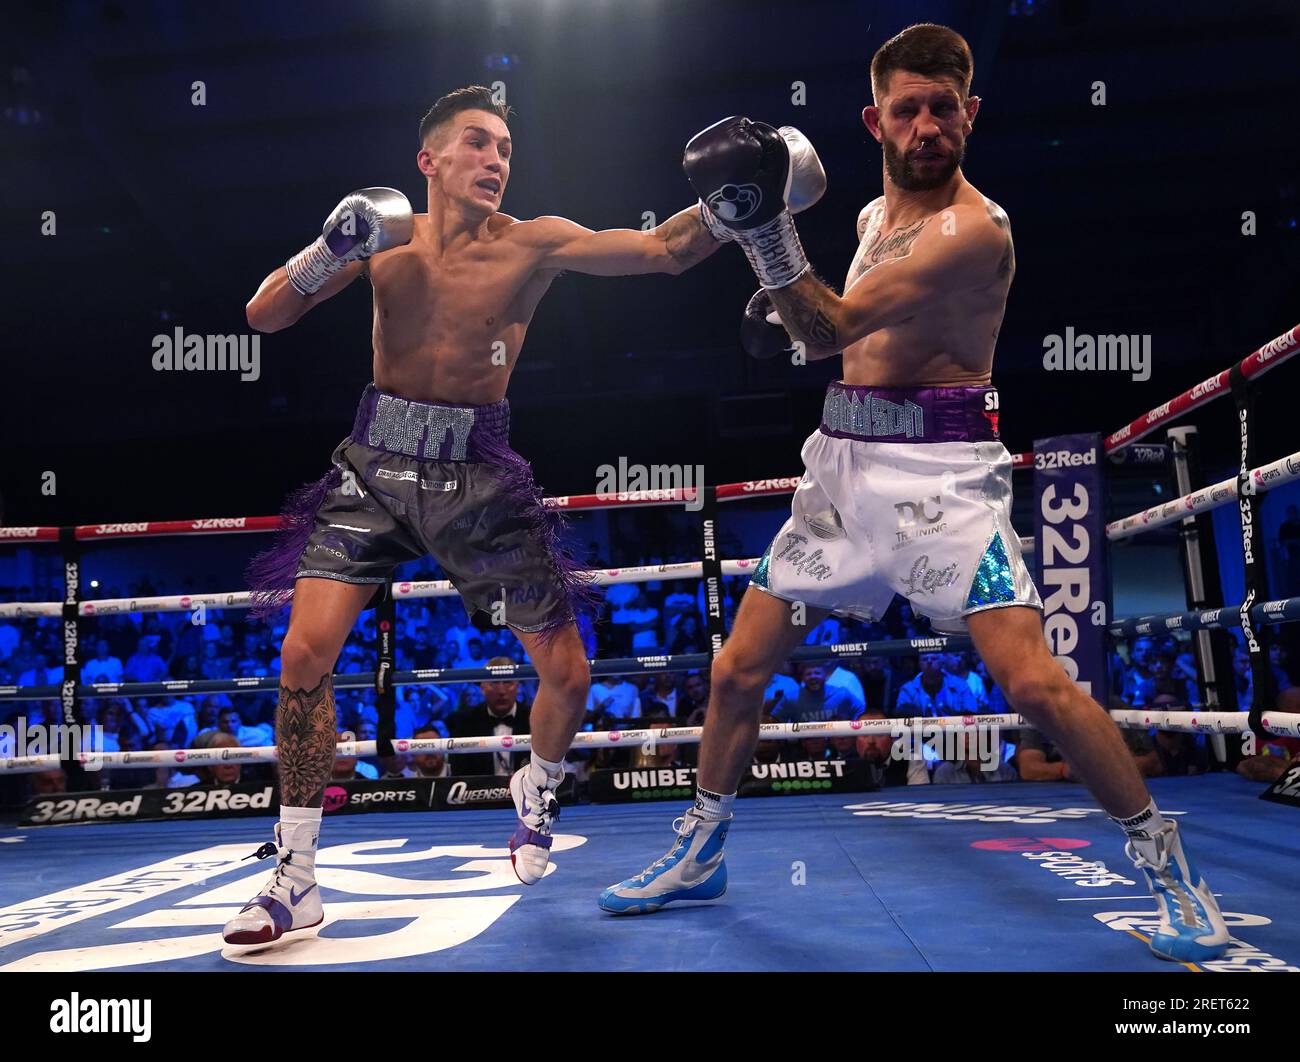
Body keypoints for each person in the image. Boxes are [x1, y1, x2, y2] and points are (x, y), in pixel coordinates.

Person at [601, 25, 1228, 963]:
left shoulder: (976, 228)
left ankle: (1167, 863)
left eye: (945, 107)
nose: (928, 125)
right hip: (843, 468)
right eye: (909, 109)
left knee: (1033, 683)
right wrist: (770, 285)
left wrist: (762, 226)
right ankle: (702, 848)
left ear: (971, 114)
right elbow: (826, 337)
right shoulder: (865, 222)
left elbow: (832, 324)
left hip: (942, 478)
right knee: (735, 672)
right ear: (875, 121)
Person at [222, 83, 780, 946]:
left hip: (478, 473)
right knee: (304, 651)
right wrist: (326, 250)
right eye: (477, 144)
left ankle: (537, 788)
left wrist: (742, 196)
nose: (495, 161)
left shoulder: (532, 243)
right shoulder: (383, 237)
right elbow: (263, 315)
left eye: (506, 150)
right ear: (429, 161)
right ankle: (294, 878)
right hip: (372, 466)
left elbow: (663, 250)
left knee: (567, 675)